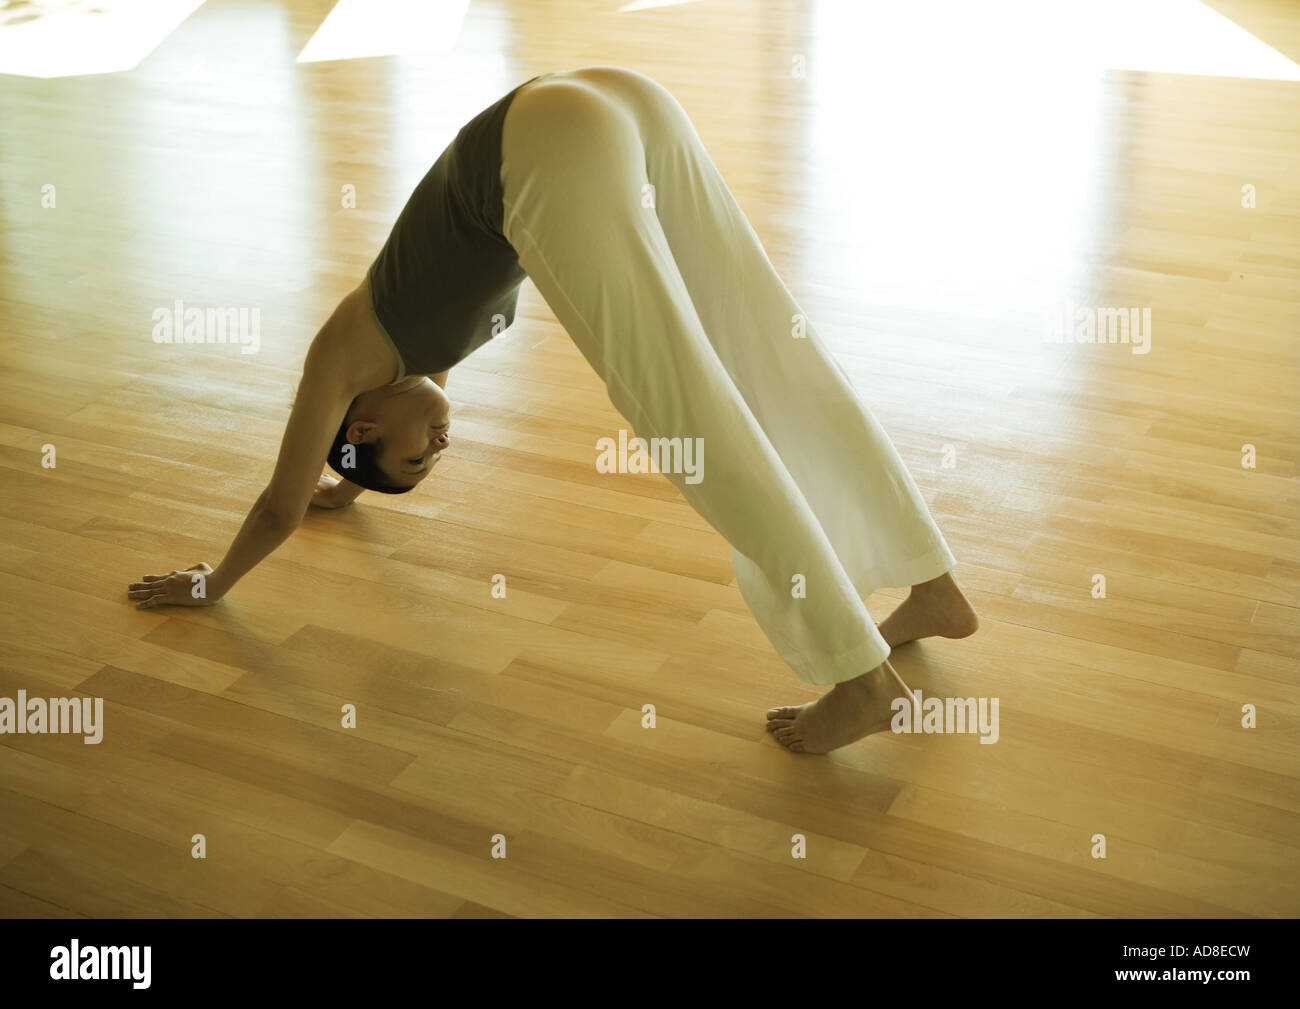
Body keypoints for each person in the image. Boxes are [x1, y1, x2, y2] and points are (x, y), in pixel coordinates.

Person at [127, 66, 978, 754]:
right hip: (621, 102)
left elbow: (279, 504)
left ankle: (862, 678)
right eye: (432, 463)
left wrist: (213, 580)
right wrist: (349, 491)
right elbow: (364, 445)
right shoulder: (413, 364)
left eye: (418, 456)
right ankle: (930, 582)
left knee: (691, 419)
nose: (442, 446)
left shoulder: (342, 354)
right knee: (770, 352)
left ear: (362, 426)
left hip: (554, 148)